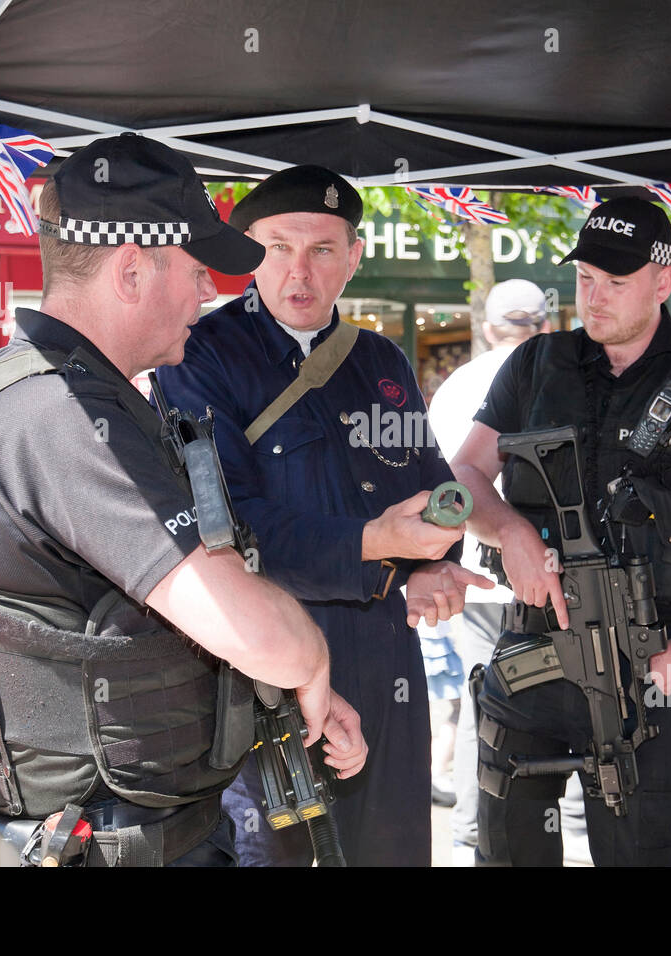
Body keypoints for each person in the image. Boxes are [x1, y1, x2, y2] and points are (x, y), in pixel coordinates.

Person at [0, 135, 366, 867]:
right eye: (195, 269)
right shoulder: (60, 418)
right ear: (130, 270)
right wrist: (309, 662)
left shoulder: (51, 397)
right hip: (106, 842)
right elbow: (249, 628)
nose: (210, 292)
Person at [155, 165, 491, 866]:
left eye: (323, 250)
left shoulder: (381, 361)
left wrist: (435, 565)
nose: (299, 271)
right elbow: (228, 529)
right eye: (278, 247)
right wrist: (376, 541)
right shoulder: (198, 357)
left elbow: (429, 488)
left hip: (386, 658)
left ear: (355, 257)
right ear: (249, 252)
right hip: (265, 667)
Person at [450, 197, 671, 866]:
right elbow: (463, 475)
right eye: (584, 280)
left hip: (652, 668)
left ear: (663, 281)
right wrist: (512, 533)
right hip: (530, 652)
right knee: (509, 854)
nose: (594, 298)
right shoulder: (534, 364)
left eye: (616, 282)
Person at [425, 278, 551, 861]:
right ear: (545, 324)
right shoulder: (552, 377)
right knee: (562, 705)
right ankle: (566, 823)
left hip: (469, 580)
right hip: (540, 580)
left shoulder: (456, 384)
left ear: (486, 326)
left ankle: (475, 830)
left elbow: (433, 485)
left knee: (485, 710)